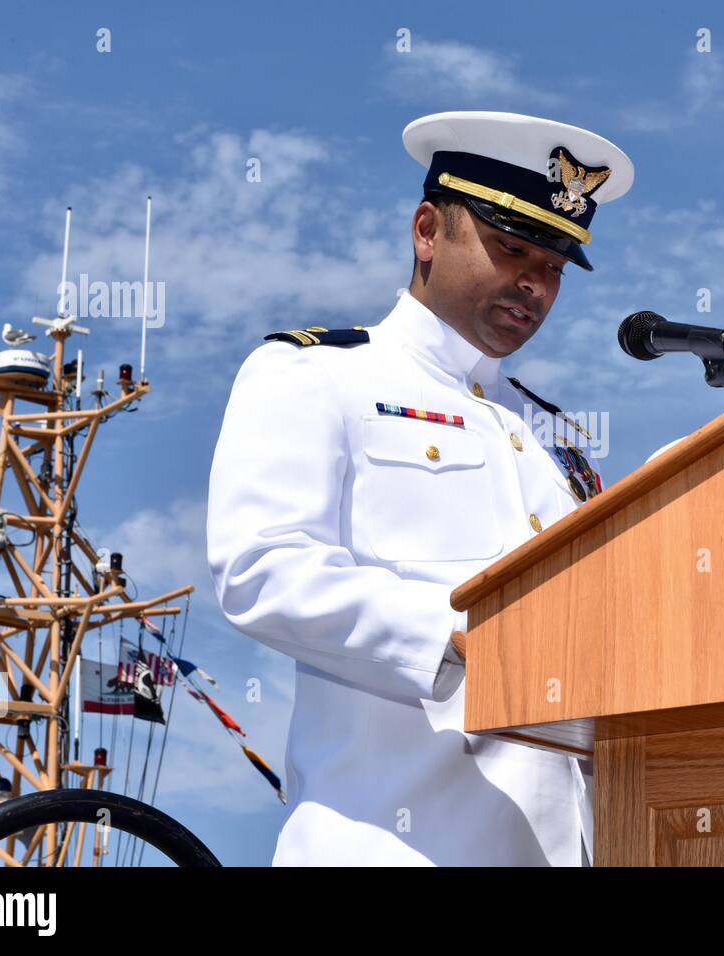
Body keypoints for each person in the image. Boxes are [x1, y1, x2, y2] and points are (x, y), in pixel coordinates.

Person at [206, 111, 633, 865]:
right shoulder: (319, 373)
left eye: (556, 267)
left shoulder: (552, 437)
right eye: (512, 248)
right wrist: (469, 633)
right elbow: (261, 571)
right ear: (428, 231)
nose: (534, 283)